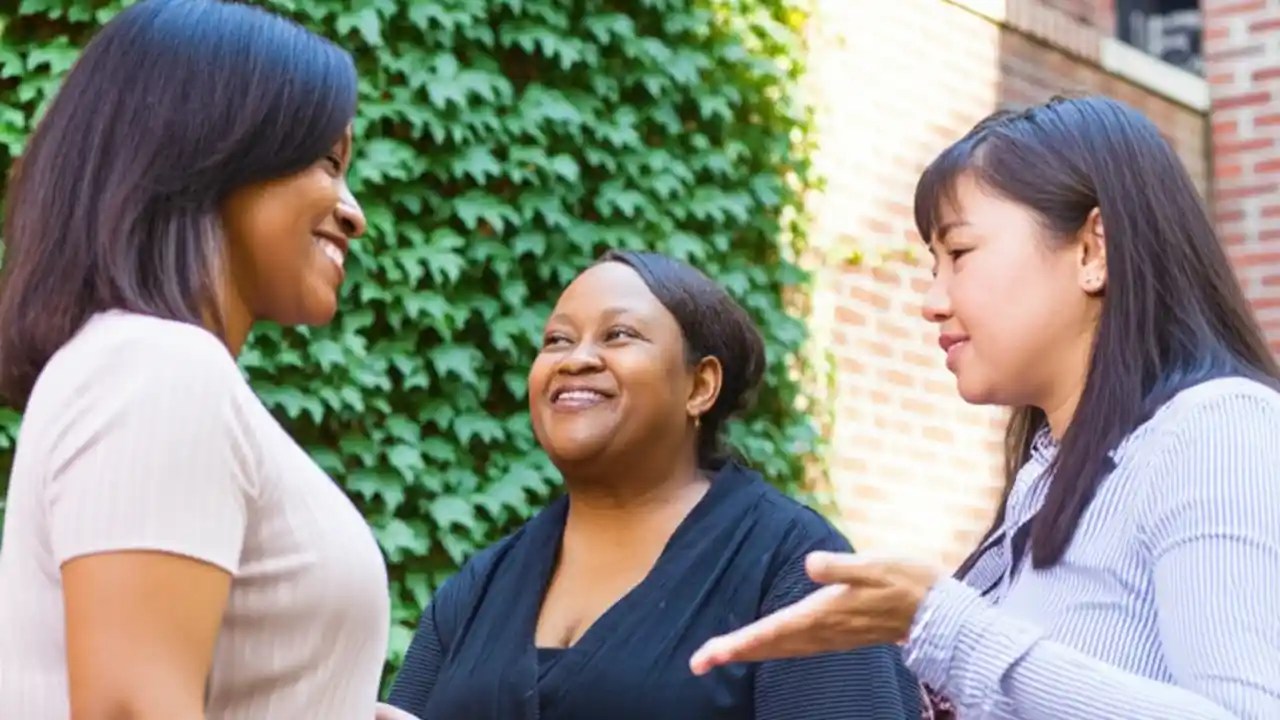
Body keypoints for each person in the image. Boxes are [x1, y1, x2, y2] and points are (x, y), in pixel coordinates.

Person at [689, 95, 1280, 719]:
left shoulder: (1218, 429)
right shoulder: (1046, 476)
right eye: (931, 264)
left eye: (960, 254)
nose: (931, 301)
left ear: (1092, 250)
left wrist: (942, 624)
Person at [0, 1, 388, 718]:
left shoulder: (152, 368)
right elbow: (129, 708)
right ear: (211, 146)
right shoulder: (156, 367)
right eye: (329, 162)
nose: (352, 210)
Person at [384, 249, 922, 719]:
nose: (577, 359)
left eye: (618, 335)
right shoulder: (480, 588)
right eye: (556, 340)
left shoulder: (790, 567)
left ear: (700, 385)